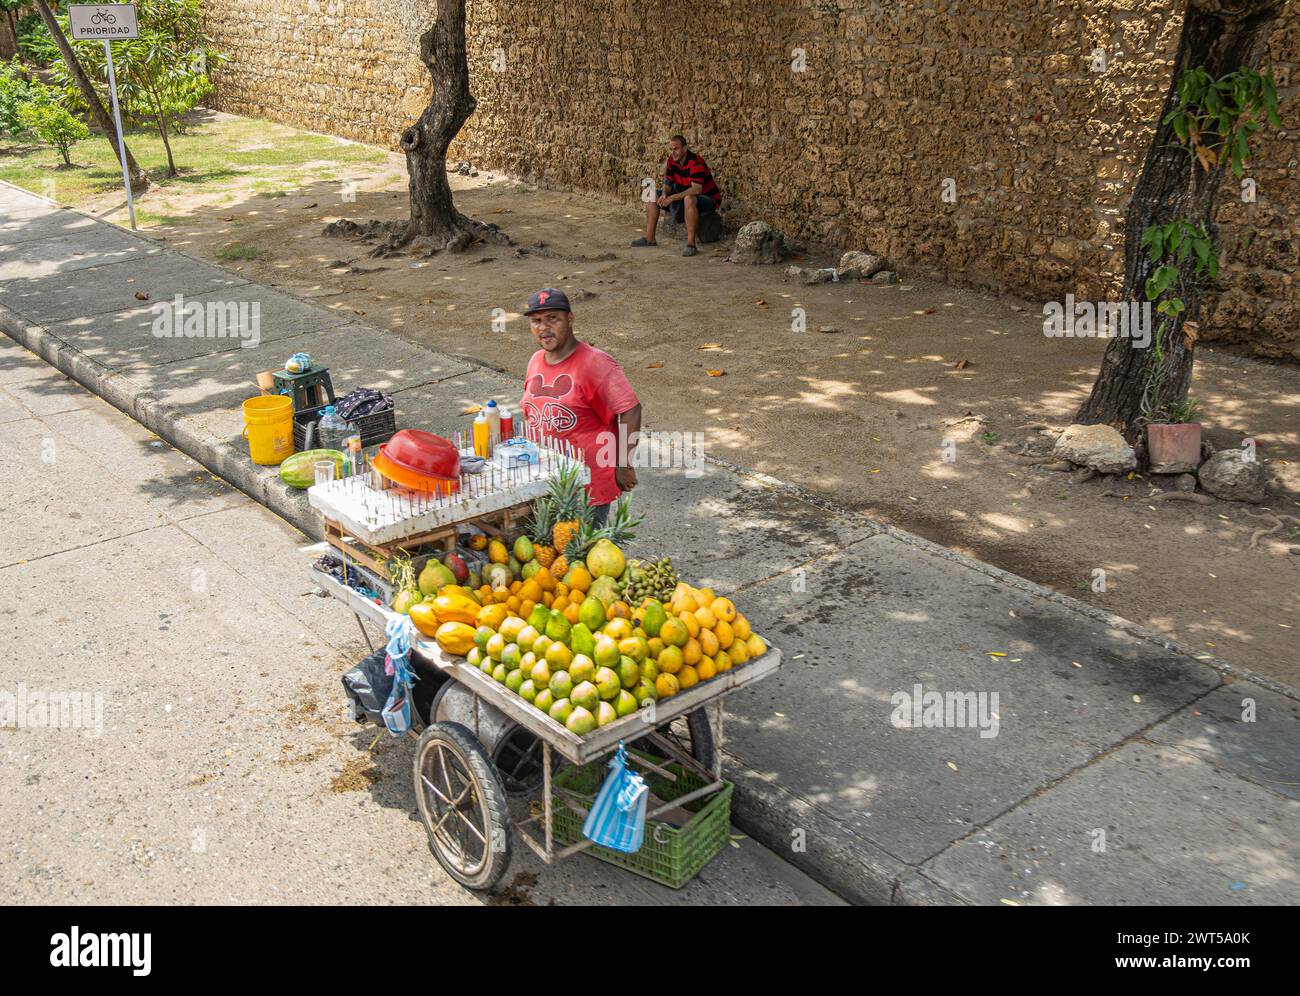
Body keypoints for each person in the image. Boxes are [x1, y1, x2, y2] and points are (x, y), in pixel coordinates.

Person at [520, 288, 641, 525]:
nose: (543, 327)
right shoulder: (535, 360)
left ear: (570, 319)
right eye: (536, 321)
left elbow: (630, 409)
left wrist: (623, 463)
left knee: (586, 556)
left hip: (587, 485)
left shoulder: (594, 362)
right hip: (546, 480)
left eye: (552, 318)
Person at [631, 134, 722, 257]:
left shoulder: (696, 162)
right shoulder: (672, 161)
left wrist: (672, 198)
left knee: (689, 199)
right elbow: (668, 182)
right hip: (682, 196)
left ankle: (691, 244)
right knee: (652, 194)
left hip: (707, 199)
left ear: (684, 149)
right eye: (671, 149)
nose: (673, 152)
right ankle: (650, 238)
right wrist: (664, 194)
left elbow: (696, 189)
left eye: (676, 149)